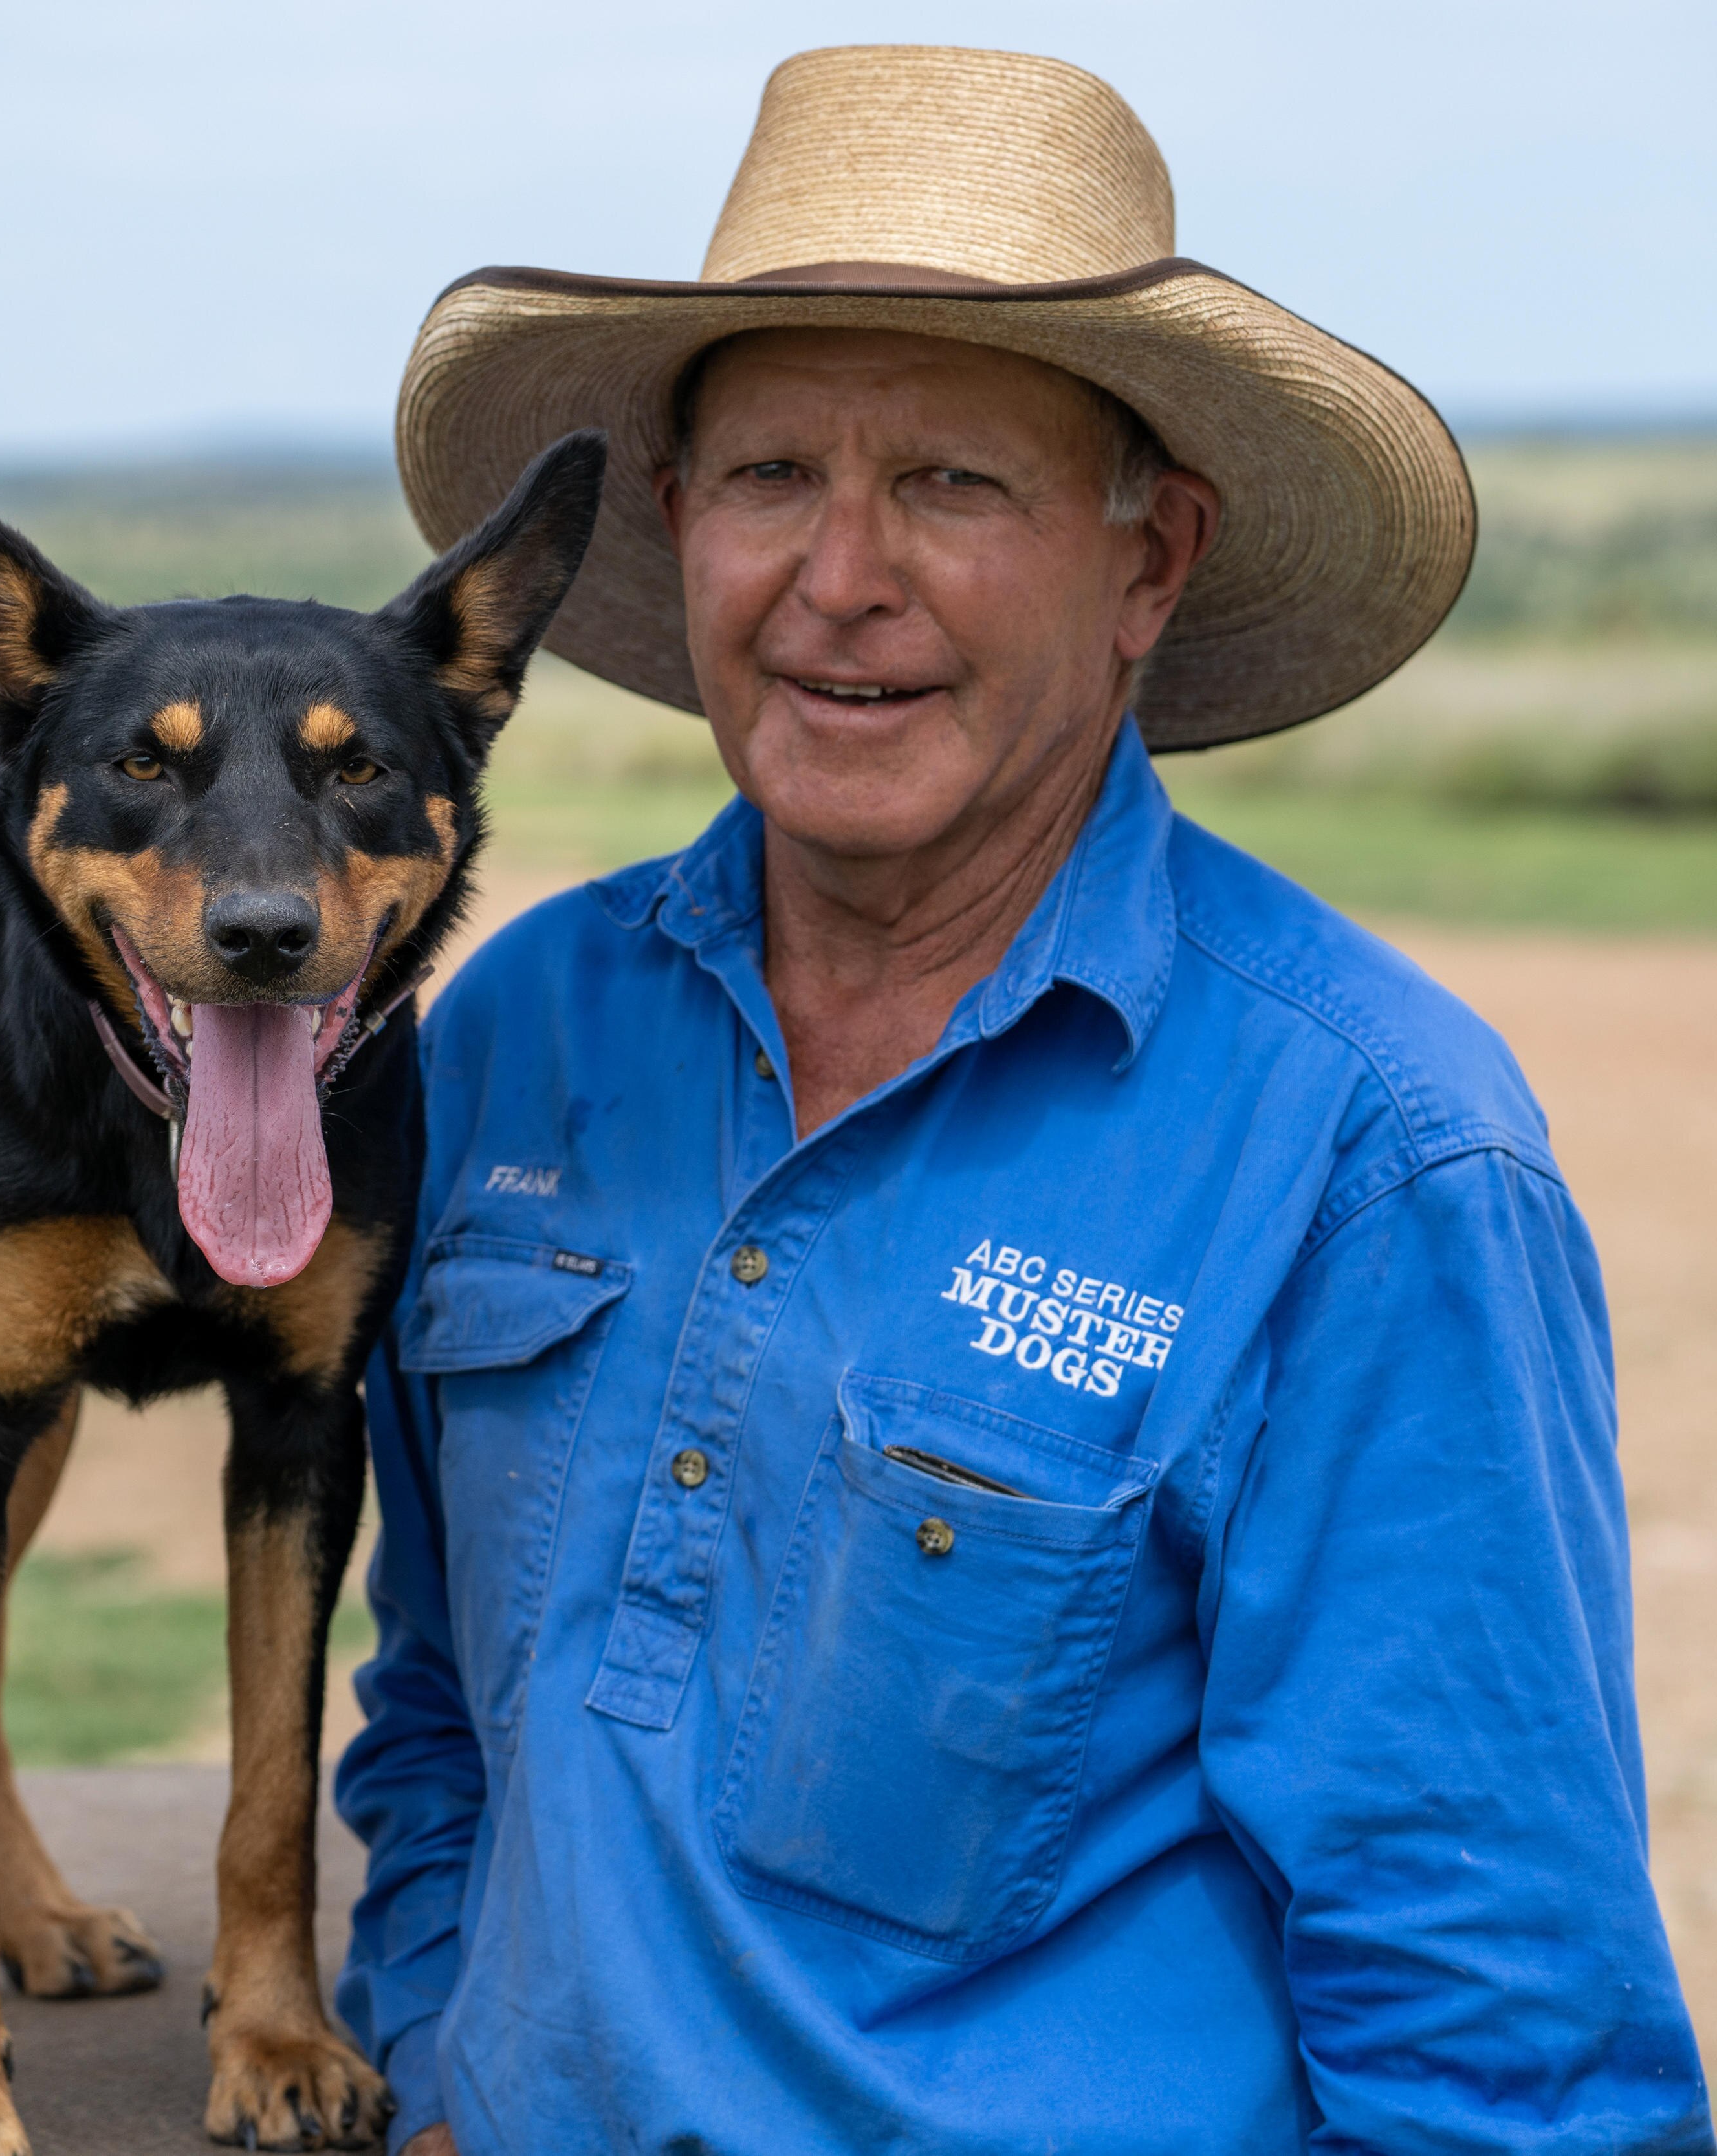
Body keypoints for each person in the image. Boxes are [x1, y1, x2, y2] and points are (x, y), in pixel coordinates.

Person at [338, 43, 1709, 2155]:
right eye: (772, 474)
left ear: (1151, 563)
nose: (841, 577)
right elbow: (440, 1704)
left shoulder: (1375, 1152)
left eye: (954, 484)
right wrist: (441, 2053)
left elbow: (1497, 2044)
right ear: (680, 523)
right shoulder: (525, 1026)